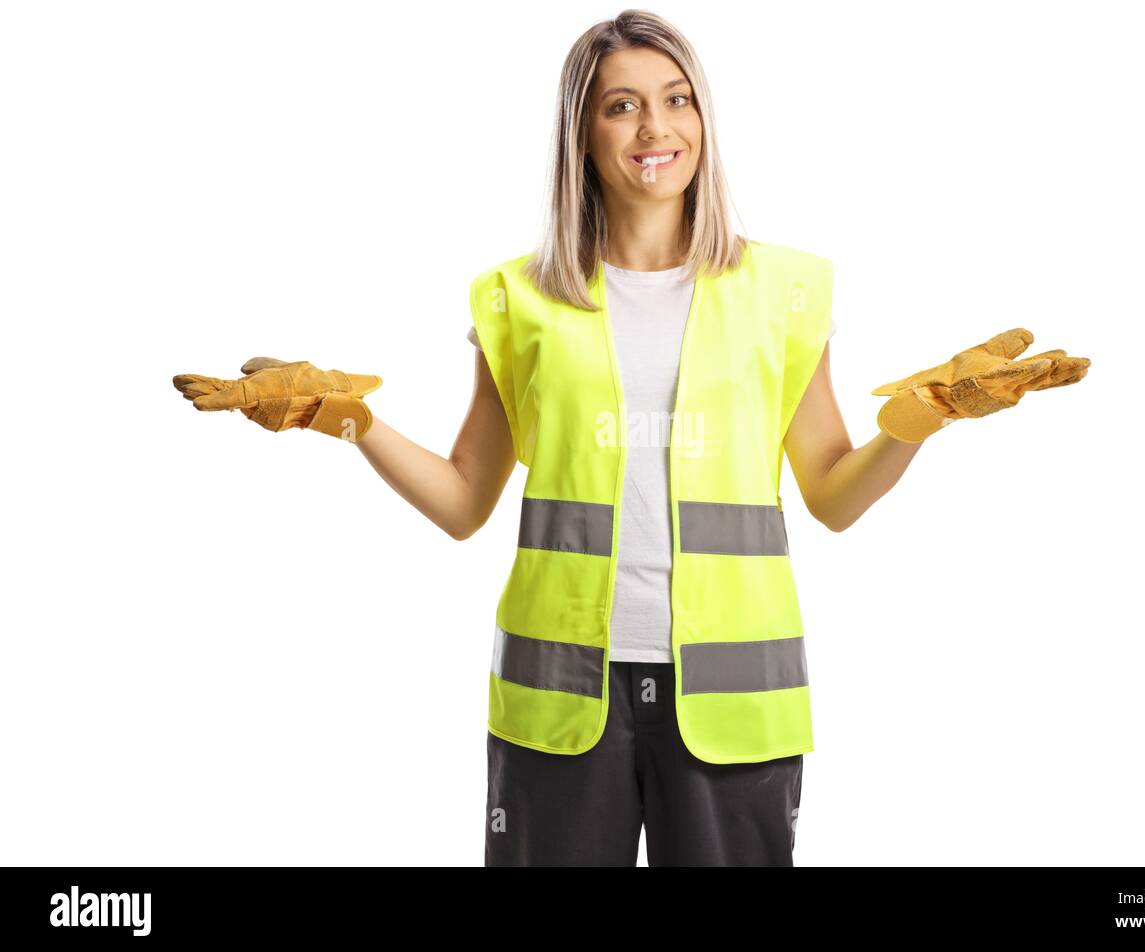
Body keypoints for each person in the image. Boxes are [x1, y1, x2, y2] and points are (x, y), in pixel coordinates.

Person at [172, 10, 1089, 867]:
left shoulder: (786, 292)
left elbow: (833, 497)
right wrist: (348, 420)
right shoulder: (518, 298)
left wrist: (922, 416)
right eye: (622, 106)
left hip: (737, 707)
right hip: (560, 700)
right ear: (583, 133)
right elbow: (463, 503)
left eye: (675, 99)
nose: (656, 129)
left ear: (703, 120)